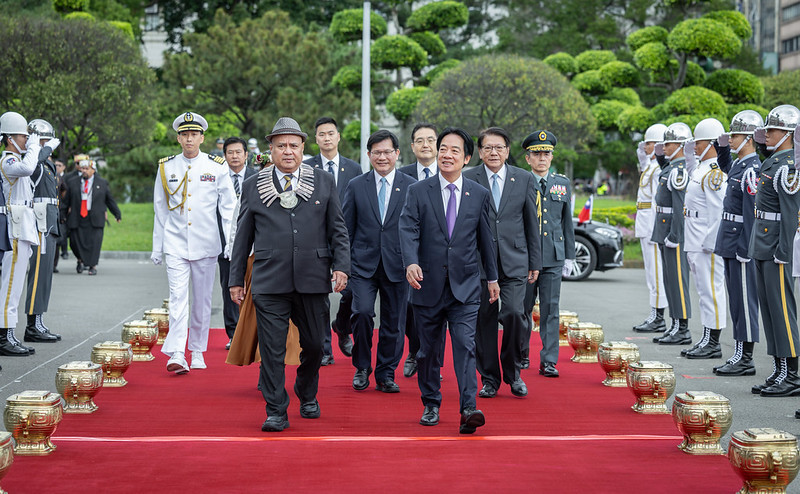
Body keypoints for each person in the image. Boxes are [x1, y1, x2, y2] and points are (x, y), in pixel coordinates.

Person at [229, 116, 350, 432]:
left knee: (314, 345)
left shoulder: (322, 181)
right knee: (272, 347)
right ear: (270, 149)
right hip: (270, 279)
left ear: (302, 148)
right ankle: (275, 410)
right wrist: (235, 279)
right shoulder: (253, 185)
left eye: (293, 145)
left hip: (312, 277)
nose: (287, 151)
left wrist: (341, 266)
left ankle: (307, 392)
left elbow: (337, 228)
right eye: (280, 145)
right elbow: (243, 235)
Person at [399, 127, 499, 434]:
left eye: (455, 150)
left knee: (466, 346)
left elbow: (486, 240)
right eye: (443, 148)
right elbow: (408, 229)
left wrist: (492, 278)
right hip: (426, 285)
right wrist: (411, 262)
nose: (446, 154)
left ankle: (469, 408)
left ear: (467, 158)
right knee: (427, 350)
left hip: (466, 287)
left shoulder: (479, 194)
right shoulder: (418, 191)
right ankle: (431, 403)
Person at [152, 112, 236, 374]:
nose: (189, 139)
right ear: (178, 138)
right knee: (178, 298)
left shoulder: (216, 165)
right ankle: (177, 352)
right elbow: (160, 209)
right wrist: (157, 247)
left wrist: (231, 244)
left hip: (206, 243)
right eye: (184, 135)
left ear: (202, 137)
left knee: (201, 300)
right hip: (176, 243)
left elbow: (229, 208)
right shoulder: (166, 167)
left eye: (194, 135)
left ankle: (197, 350)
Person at [463, 127, 541, 398]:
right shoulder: (468, 178)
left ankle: (513, 372)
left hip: (515, 262)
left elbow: (532, 221)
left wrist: (535, 261)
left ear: (508, 151)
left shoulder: (523, 179)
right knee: (483, 323)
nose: (493, 152)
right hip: (480, 264)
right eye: (487, 148)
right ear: (480, 152)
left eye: (499, 147)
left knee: (513, 314)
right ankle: (489, 379)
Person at [342, 130, 415, 393]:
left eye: (387, 152)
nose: (382, 157)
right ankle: (362, 366)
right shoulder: (356, 185)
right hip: (363, 264)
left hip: (399, 265)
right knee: (361, 313)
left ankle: (386, 373)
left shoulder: (410, 186)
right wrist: (342, 264)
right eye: (376, 152)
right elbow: (346, 228)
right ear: (368, 155)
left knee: (394, 322)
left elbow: (417, 228)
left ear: (397, 154)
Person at [749, 105, 800, 398]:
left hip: (777, 246)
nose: (766, 135)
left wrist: (784, 252)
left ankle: (792, 374)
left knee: (782, 310)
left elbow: (791, 215)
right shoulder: (773, 162)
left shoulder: (788, 166)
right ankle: (780, 369)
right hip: (763, 243)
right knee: (769, 310)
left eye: (773, 130)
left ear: (789, 134)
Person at [302, 116, 361, 365]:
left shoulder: (354, 168)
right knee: (320, 297)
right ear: (316, 139)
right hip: (315, 240)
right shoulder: (306, 168)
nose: (327, 138)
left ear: (339, 137)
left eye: (331, 133)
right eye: (322, 134)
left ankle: (342, 325)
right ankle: (325, 348)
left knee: (351, 293)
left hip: (345, 240)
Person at [0, 111, 56, 356]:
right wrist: (35, 147)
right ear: (10, 138)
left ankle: (8, 333)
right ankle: (4, 336)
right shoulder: (8, 161)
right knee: (10, 285)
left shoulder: (16, 158)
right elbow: (27, 167)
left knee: (15, 286)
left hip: (22, 228)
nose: (27, 140)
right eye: (23, 137)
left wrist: (32, 146)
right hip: (14, 229)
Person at [521, 130, 575, 377]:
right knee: (522, 308)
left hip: (553, 255)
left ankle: (549, 360)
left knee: (551, 309)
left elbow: (566, 221)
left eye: (546, 153)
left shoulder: (561, 184)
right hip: (525, 257)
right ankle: (521, 354)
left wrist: (570, 255)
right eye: (536, 154)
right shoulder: (521, 182)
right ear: (527, 158)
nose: (542, 158)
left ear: (552, 157)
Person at [713, 110, 763, 376]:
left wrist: (746, 248)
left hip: (740, 243)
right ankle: (738, 353)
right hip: (730, 240)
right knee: (736, 301)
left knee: (744, 302)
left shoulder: (753, 169)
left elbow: (751, 213)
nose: (731, 139)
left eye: (735, 136)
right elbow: (725, 167)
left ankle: (746, 358)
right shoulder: (740, 166)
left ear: (750, 139)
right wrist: (721, 147)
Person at [680, 118, 727, 359]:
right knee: (702, 291)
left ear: (710, 144)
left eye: (698, 143)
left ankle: (714, 341)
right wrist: (690, 156)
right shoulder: (701, 169)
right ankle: (706, 337)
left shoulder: (715, 173)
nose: (694, 147)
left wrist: (711, 243)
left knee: (711, 290)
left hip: (706, 242)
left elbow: (718, 212)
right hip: (694, 238)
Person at [398, 122, 439, 378]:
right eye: (420, 140)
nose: (426, 145)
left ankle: (433, 359)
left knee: (440, 308)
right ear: (412, 146)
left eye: (431, 140)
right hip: (408, 253)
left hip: (440, 254)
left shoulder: (450, 172)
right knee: (410, 308)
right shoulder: (400, 176)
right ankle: (414, 352)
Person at [651, 122, 693, 345]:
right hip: (663, 229)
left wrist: (675, 236)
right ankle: (675, 324)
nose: (663, 147)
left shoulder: (679, 171)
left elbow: (679, 207)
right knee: (669, 280)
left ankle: (683, 328)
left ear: (679, 145)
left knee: (677, 280)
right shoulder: (670, 168)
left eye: (668, 143)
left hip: (672, 232)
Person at [23, 119, 63, 343]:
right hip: (39, 221)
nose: (48, 146)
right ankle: (32, 326)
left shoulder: (46, 162)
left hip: (48, 220)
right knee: (38, 273)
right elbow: (31, 166)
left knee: (45, 274)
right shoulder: (33, 160)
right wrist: (41, 148)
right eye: (44, 141)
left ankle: (38, 321)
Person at [218, 136, 257, 350]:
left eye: (238, 152)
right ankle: (233, 333)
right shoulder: (218, 177)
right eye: (230, 152)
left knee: (253, 288)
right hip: (226, 242)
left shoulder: (257, 177)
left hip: (253, 245)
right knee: (229, 286)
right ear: (224, 156)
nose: (234, 156)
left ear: (246, 154)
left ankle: (252, 331)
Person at [632, 124, 669, 334]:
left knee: (656, 273)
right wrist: (645, 146)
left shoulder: (656, 171)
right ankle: (655, 313)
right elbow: (641, 156)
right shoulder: (650, 166)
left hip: (652, 226)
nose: (645, 147)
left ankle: (658, 316)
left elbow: (658, 203)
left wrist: (658, 231)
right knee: (651, 273)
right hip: (645, 225)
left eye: (649, 143)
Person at [61, 158, 121, 275]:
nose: (84, 171)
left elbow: (109, 200)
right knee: (74, 242)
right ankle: (80, 260)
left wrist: (117, 214)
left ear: (93, 170)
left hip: (94, 218)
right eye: (82, 168)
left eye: (86, 169)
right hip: (77, 217)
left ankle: (92, 266)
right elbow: (66, 201)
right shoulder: (73, 182)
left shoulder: (102, 183)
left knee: (95, 243)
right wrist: (62, 214)